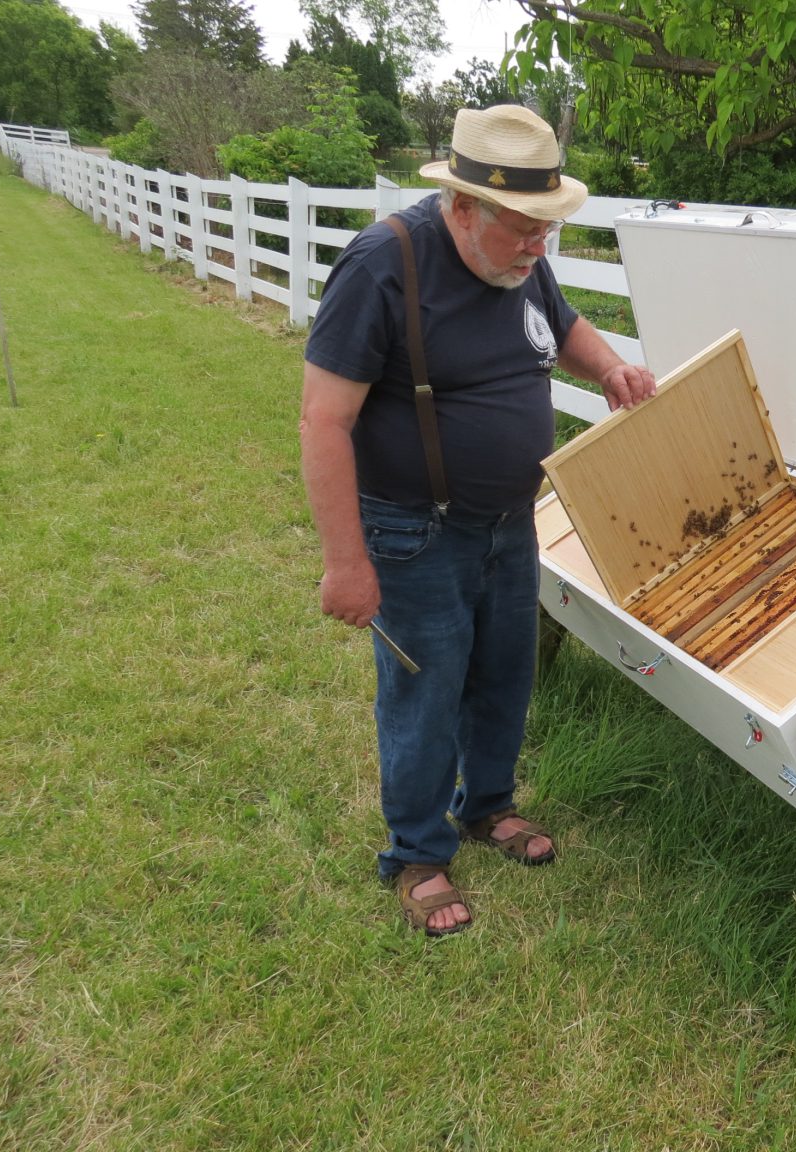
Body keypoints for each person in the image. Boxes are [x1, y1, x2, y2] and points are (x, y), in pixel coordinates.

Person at [299, 105, 656, 936]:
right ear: (463, 207)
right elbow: (323, 420)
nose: (539, 247)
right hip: (414, 528)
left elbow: (559, 325)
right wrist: (346, 562)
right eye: (524, 230)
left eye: (547, 231)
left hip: (509, 519)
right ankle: (417, 855)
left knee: (504, 674)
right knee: (425, 692)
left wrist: (608, 368)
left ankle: (487, 806)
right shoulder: (383, 266)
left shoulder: (520, 258)